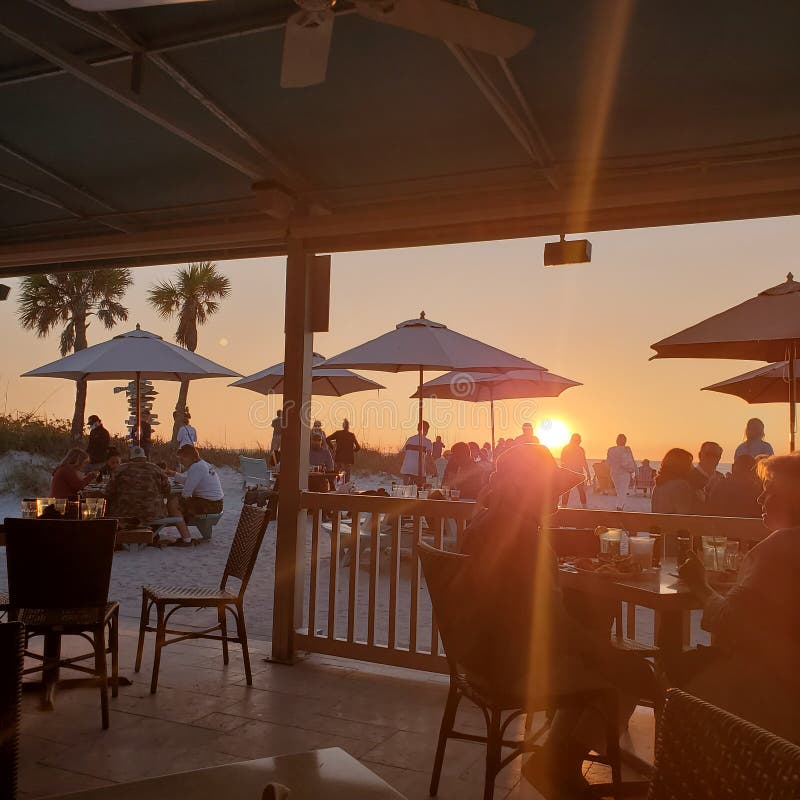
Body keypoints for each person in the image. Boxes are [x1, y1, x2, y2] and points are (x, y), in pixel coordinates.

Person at [460, 445, 653, 797]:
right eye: (552, 490)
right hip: (514, 666)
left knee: (600, 657)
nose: (558, 499)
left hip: (479, 658)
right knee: (634, 674)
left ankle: (557, 758)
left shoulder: (483, 524)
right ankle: (561, 763)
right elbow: (553, 627)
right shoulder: (523, 538)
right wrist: (604, 653)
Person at [675, 453, 800, 744]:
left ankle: (684, 768)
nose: (760, 501)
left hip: (773, 691)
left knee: (670, 671)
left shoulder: (781, 547)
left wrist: (700, 585)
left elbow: (730, 621)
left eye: (769, 493)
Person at [169, 445, 224, 545]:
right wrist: (174, 475)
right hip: (215, 503)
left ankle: (186, 539)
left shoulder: (196, 467)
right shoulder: (202, 464)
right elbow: (190, 481)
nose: (181, 461)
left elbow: (186, 493)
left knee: (173, 503)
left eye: (182, 458)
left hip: (210, 505)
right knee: (175, 501)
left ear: (191, 457)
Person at [106, 445, 170, 526]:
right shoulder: (156, 469)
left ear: (130, 458)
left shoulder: (119, 470)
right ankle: (152, 534)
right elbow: (167, 490)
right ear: (145, 458)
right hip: (152, 514)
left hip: (124, 515)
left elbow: (108, 491)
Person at [651, 448, 695, 514]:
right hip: (674, 524)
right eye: (690, 463)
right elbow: (685, 516)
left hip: (659, 523)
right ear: (683, 465)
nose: (693, 466)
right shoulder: (681, 485)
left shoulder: (658, 486)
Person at [606, 434, 636, 510]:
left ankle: (620, 507)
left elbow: (608, 463)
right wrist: (632, 470)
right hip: (624, 474)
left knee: (619, 492)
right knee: (622, 492)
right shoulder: (626, 449)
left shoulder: (611, 449)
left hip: (614, 473)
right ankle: (619, 508)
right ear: (625, 441)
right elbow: (627, 462)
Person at [560, 433, 590, 508]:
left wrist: (588, 472)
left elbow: (562, 462)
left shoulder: (566, 448)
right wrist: (588, 473)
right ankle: (584, 507)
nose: (580, 441)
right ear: (577, 440)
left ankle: (564, 507)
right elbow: (584, 462)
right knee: (579, 491)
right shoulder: (579, 449)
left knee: (568, 491)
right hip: (576, 473)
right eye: (579, 439)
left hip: (571, 473)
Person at [400, 421, 432, 487]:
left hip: (406, 469)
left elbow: (403, 453)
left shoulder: (410, 439)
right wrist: (434, 471)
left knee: (407, 491)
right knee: (420, 490)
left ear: (418, 429)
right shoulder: (427, 442)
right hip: (418, 470)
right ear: (427, 430)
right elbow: (429, 458)